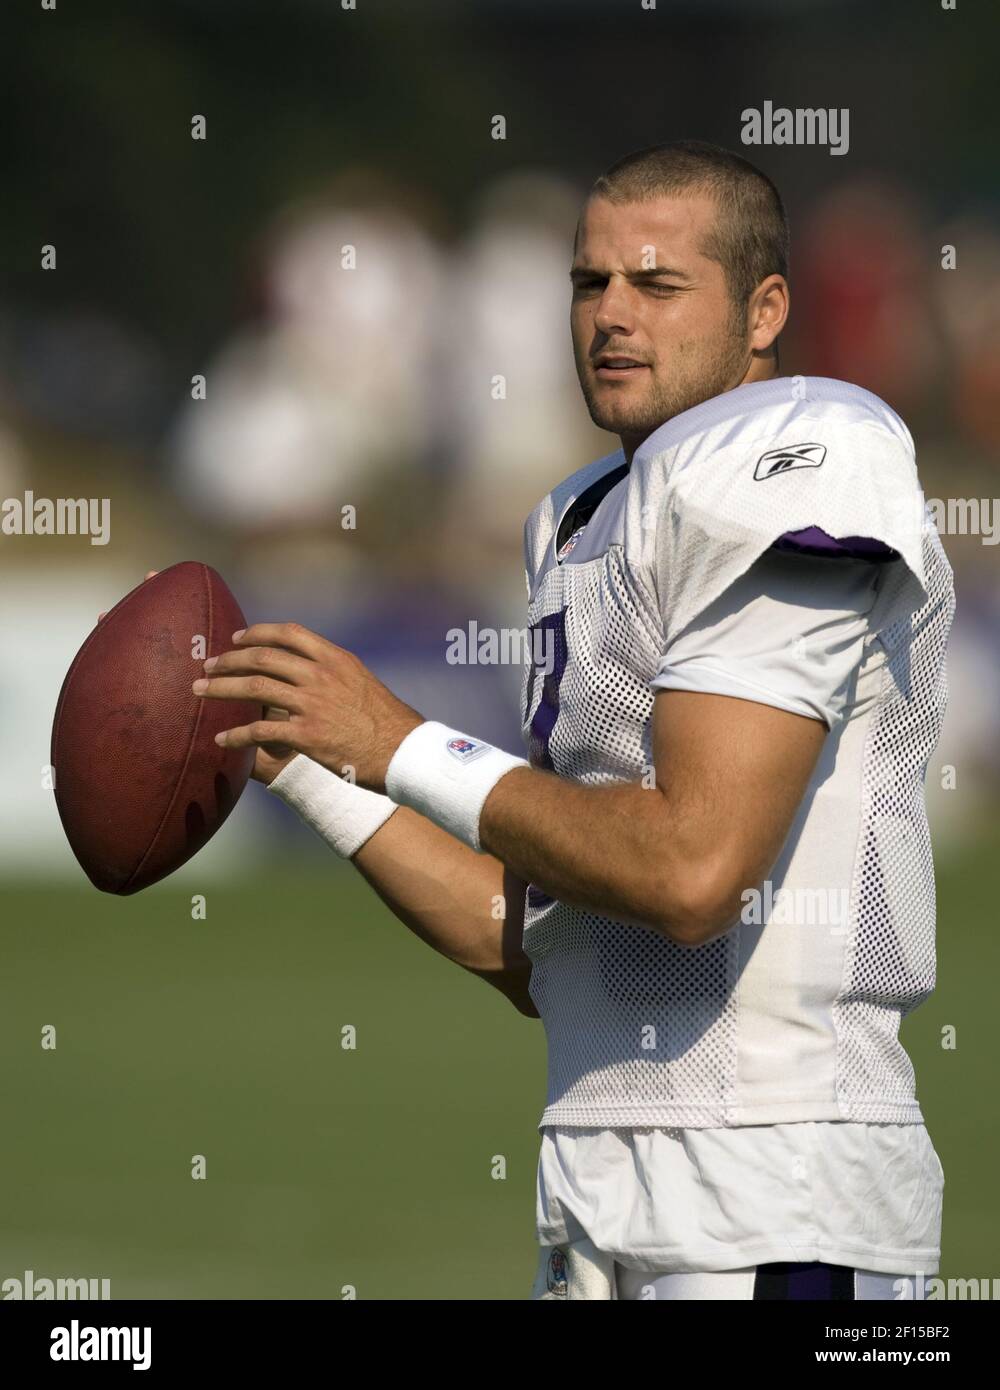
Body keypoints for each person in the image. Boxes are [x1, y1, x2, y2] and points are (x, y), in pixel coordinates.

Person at [190, 142, 955, 1301]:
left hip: (779, 1191)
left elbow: (694, 870)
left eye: (656, 286)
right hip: (600, 1196)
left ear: (764, 312)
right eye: (589, 284)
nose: (611, 316)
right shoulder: (585, 513)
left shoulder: (804, 450)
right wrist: (314, 772)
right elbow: (537, 947)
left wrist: (399, 741)